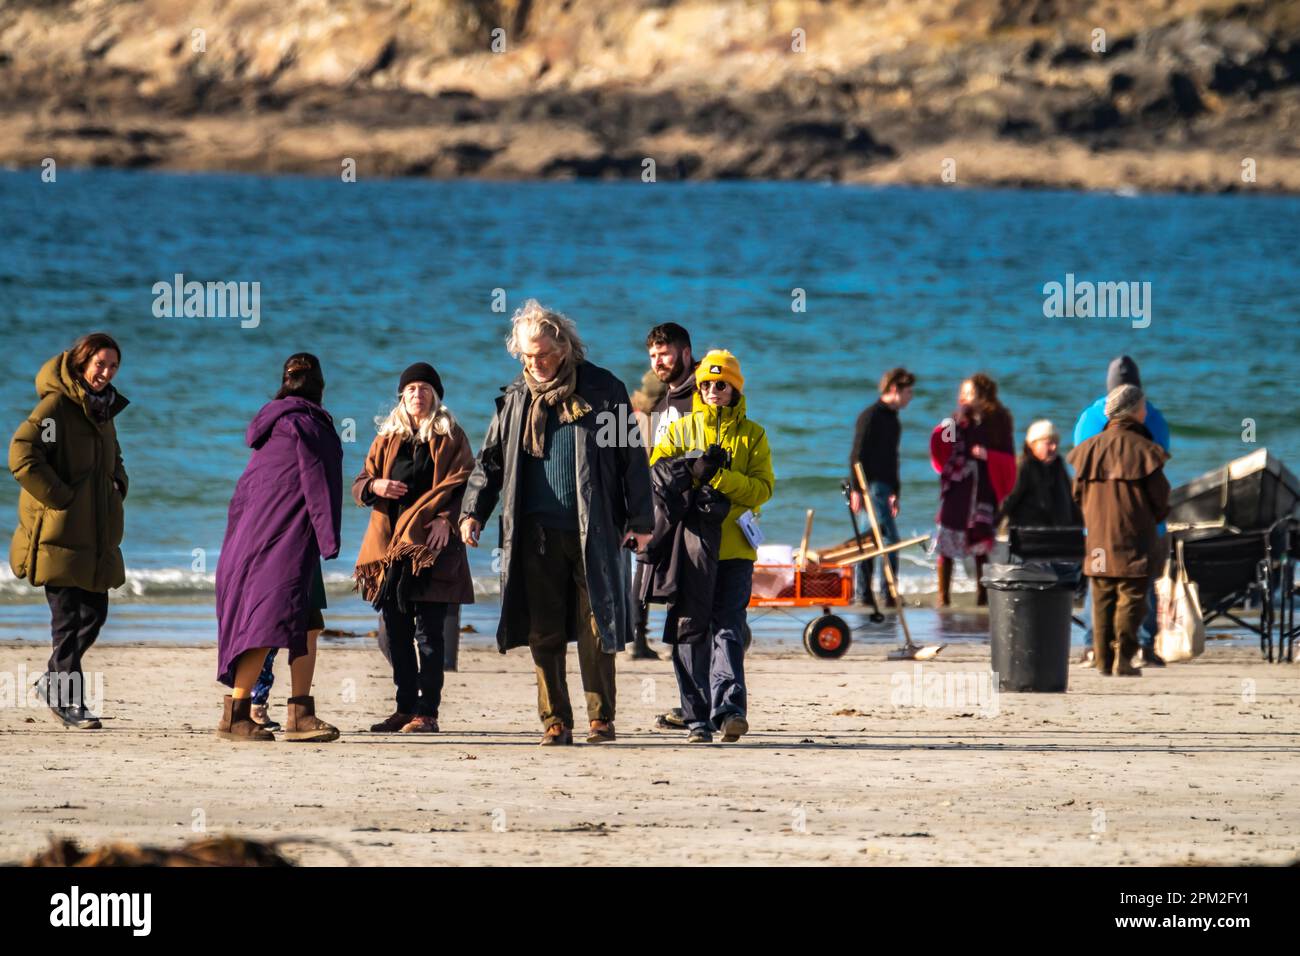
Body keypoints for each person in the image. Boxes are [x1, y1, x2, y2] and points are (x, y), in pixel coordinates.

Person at [460, 300, 653, 746]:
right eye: (527, 357)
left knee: (596, 626)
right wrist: (473, 512)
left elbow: (632, 461)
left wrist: (641, 520)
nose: (537, 363)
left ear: (563, 347)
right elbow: (489, 463)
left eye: (543, 354)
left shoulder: (604, 391)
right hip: (535, 535)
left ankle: (600, 719)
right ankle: (554, 721)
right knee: (542, 630)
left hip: (596, 531)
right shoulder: (515, 399)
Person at [214, 354, 342, 742]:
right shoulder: (307, 425)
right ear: (320, 386)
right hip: (283, 541)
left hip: (267, 539)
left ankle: (300, 714)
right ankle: (237, 714)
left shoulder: (271, 426)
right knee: (265, 624)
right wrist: (330, 539)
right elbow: (319, 484)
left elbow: (246, 492)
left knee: (308, 625)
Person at [649, 349, 774, 743]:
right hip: (689, 547)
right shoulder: (680, 429)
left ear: (735, 389)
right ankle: (695, 717)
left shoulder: (754, 434)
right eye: (706, 384)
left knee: (729, 629)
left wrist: (721, 481)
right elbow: (657, 478)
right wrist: (693, 472)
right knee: (690, 630)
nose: (713, 390)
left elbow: (763, 489)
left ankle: (730, 710)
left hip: (735, 548)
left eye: (722, 384)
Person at [9, 333, 128, 730]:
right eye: (100, 364)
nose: (106, 373)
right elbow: (23, 454)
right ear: (82, 362)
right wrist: (60, 496)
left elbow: (114, 455)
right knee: (67, 620)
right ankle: (67, 700)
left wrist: (118, 484)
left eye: (112, 366)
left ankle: (51, 681)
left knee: (94, 614)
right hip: (56, 537)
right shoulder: (56, 408)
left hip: (95, 536)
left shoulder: (102, 410)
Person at [354, 363, 475, 734]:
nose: (417, 395)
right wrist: (376, 487)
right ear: (401, 397)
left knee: (429, 633)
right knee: (394, 629)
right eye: (410, 390)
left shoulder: (450, 435)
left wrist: (444, 518)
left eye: (424, 389)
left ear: (435, 396)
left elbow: (467, 483)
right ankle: (404, 707)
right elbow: (360, 482)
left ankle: (428, 712)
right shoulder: (387, 437)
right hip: (392, 550)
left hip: (432, 547)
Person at [1072, 355, 1171, 666]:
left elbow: (1078, 486)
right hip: (1140, 525)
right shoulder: (1152, 417)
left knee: (1099, 584)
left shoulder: (1088, 419)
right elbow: (1159, 485)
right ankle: (1139, 646)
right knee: (1139, 585)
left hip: (1098, 524)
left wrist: (1088, 514)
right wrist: (1156, 520)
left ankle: (1094, 649)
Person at [629, 323, 699, 662]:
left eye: (665, 353)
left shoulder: (704, 393)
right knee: (644, 564)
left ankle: (678, 642)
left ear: (686, 353)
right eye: (654, 355)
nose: (659, 361)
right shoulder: (661, 397)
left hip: (691, 501)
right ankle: (638, 640)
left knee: (682, 573)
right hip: (656, 495)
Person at [929, 373, 1015, 606]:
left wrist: (989, 456)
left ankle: (982, 598)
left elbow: (1009, 457)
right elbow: (943, 444)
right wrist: (947, 428)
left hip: (983, 489)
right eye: (963, 393)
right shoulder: (958, 420)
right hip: (958, 488)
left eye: (971, 393)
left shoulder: (1000, 421)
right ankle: (942, 598)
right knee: (946, 540)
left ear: (983, 395)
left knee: (979, 542)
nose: (965, 398)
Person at [848, 367, 915, 607]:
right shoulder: (871, 416)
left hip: (884, 488)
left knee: (870, 541)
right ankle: (887, 594)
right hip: (870, 487)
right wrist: (856, 489)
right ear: (894, 389)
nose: (910, 397)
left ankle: (863, 594)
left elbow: (892, 459)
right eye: (908, 392)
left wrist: (895, 492)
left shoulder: (893, 419)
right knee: (890, 539)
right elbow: (857, 453)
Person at [996, 420, 1081, 530]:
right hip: (1029, 532)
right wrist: (992, 525)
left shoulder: (1058, 466)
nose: (1054, 447)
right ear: (1032, 444)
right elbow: (1008, 499)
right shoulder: (1023, 466)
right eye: (1049, 443)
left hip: (1058, 532)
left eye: (1056, 443)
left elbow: (1072, 501)